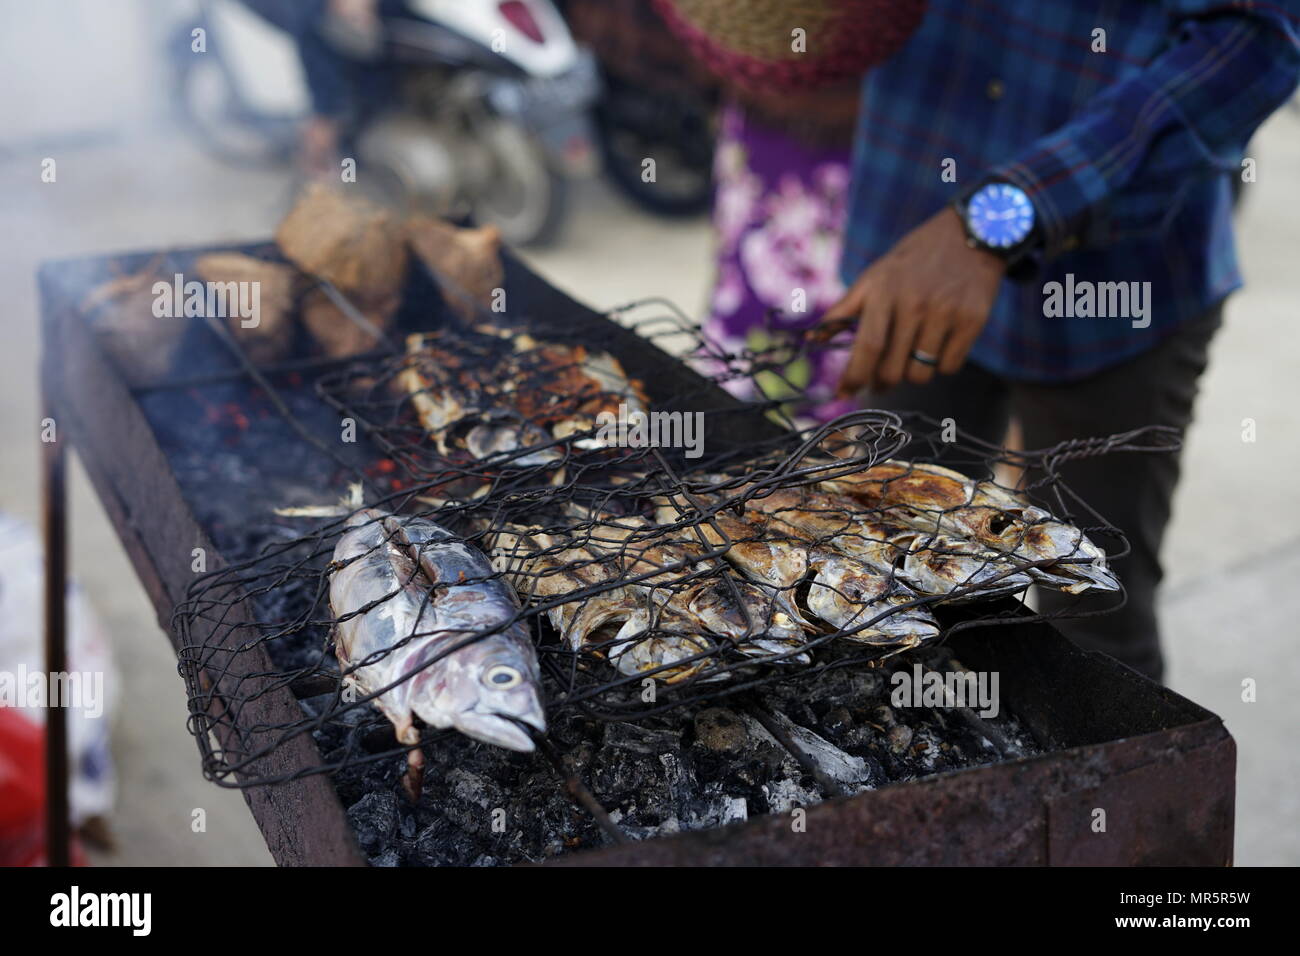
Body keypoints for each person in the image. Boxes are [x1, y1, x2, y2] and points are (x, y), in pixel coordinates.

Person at [825, 1, 1300, 680]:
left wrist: (1000, 219)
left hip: (1119, 295)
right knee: (882, 585)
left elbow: (1256, 47)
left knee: (1090, 628)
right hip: (909, 228)